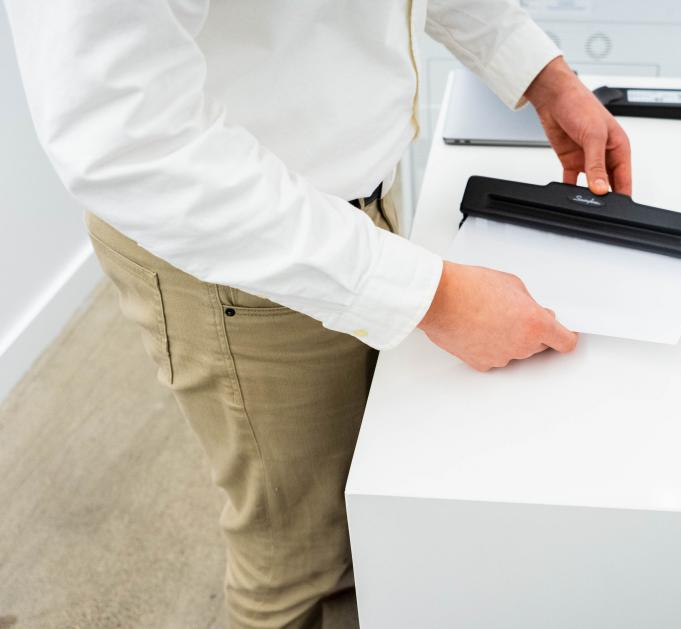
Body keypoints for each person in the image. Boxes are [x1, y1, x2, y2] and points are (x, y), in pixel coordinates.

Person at [5, 1, 632, 627]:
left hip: (360, 199)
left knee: (364, 490)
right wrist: (432, 296)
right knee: (298, 563)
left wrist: (542, 73)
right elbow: (126, 138)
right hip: (240, 248)